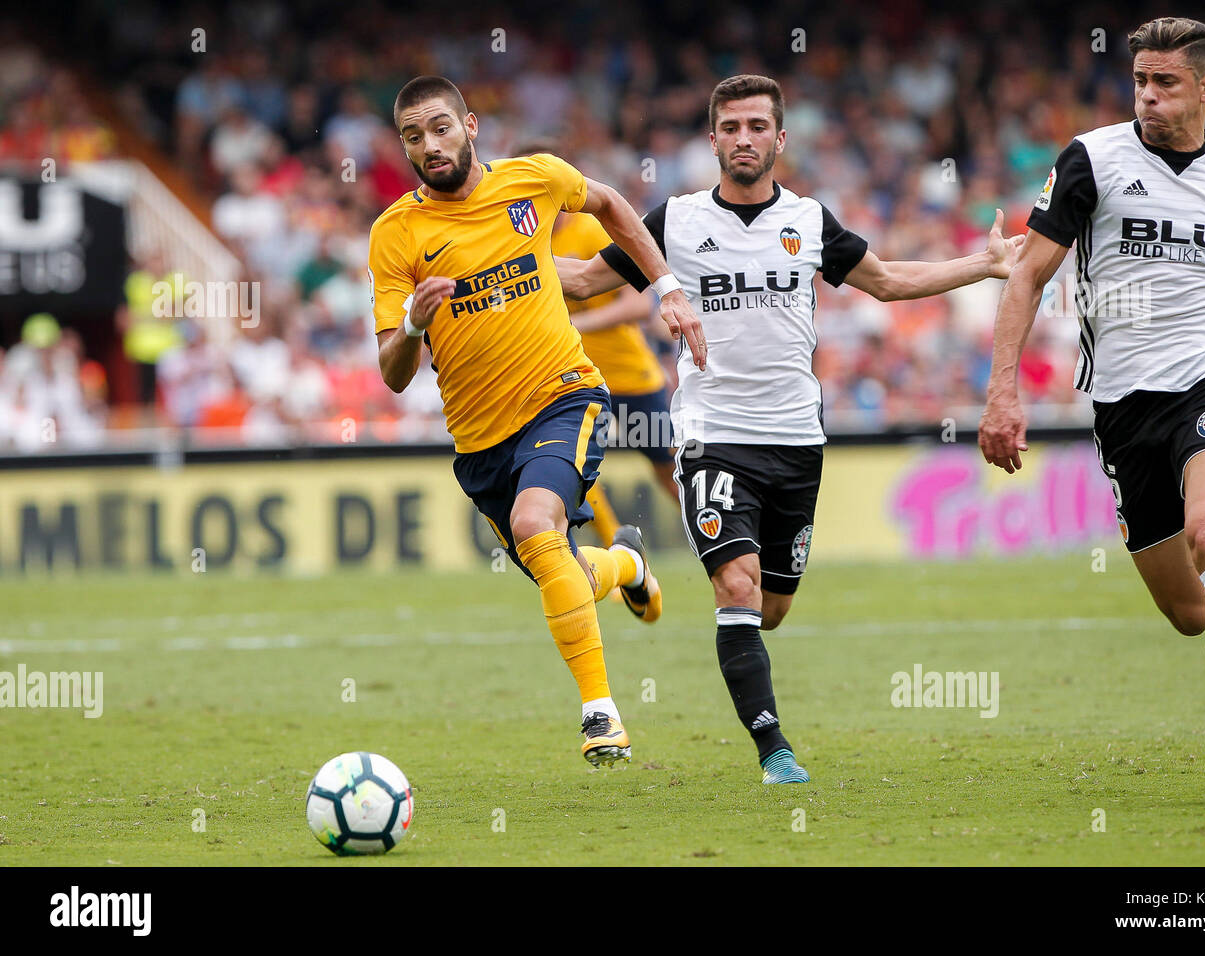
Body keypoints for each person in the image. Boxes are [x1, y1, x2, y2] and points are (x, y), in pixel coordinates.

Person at [559, 74, 1022, 783]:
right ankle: (774, 750)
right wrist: (492, 261)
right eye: (730, 127)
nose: (743, 139)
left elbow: (889, 280)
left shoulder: (808, 220)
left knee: (770, 608)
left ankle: (750, 691)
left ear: (780, 138)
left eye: (756, 127)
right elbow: (585, 280)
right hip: (712, 434)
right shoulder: (675, 221)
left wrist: (984, 265)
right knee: (736, 588)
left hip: (796, 442)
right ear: (711, 138)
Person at [978, 17, 1205, 802]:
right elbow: (1028, 275)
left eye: (1165, 83)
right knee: (1190, 611)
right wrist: (1002, 390)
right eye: (1140, 82)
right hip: (1122, 405)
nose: (1148, 96)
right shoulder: (1093, 160)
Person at [370, 76, 707, 767]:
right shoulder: (394, 234)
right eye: (413, 136)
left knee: (533, 525)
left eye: (440, 128)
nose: (429, 145)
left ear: (469, 125)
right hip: (478, 441)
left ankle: (600, 717)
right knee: (567, 573)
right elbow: (394, 372)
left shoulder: (535, 180)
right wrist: (412, 323)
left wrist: (668, 287)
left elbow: (612, 204)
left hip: (565, 396)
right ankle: (626, 564)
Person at [516, 142, 677, 567]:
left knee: (668, 469)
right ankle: (615, 554)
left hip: (631, 377)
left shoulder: (589, 231)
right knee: (571, 468)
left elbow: (640, 305)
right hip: (571, 380)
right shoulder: (515, 243)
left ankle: (716, 541)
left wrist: (575, 326)